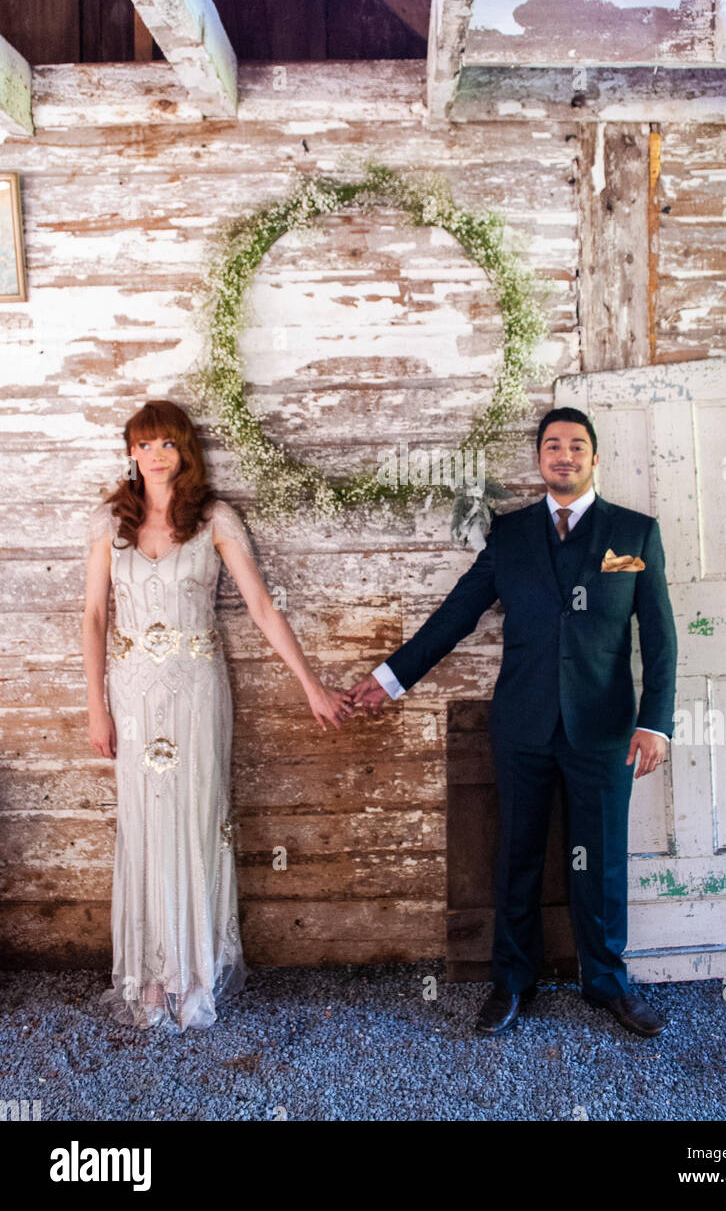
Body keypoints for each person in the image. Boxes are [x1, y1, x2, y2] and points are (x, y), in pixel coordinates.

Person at [349, 407, 677, 1038]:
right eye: (552, 445)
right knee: (517, 856)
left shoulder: (634, 535)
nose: (564, 455)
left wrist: (654, 722)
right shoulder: (510, 535)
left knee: (601, 860)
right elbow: (455, 617)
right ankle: (511, 982)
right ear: (538, 460)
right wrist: (389, 680)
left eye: (576, 446)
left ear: (594, 458)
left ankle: (606, 982)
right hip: (523, 727)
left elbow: (659, 639)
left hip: (605, 731)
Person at [82, 399, 351, 1031]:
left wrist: (311, 684)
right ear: (131, 452)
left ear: (185, 452)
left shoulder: (214, 518)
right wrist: (96, 705)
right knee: (143, 819)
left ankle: (196, 971)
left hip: (197, 690)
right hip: (131, 691)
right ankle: (149, 976)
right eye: (144, 444)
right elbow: (94, 617)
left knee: (197, 814)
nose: (155, 455)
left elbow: (260, 608)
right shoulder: (108, 523)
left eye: (167, 444)